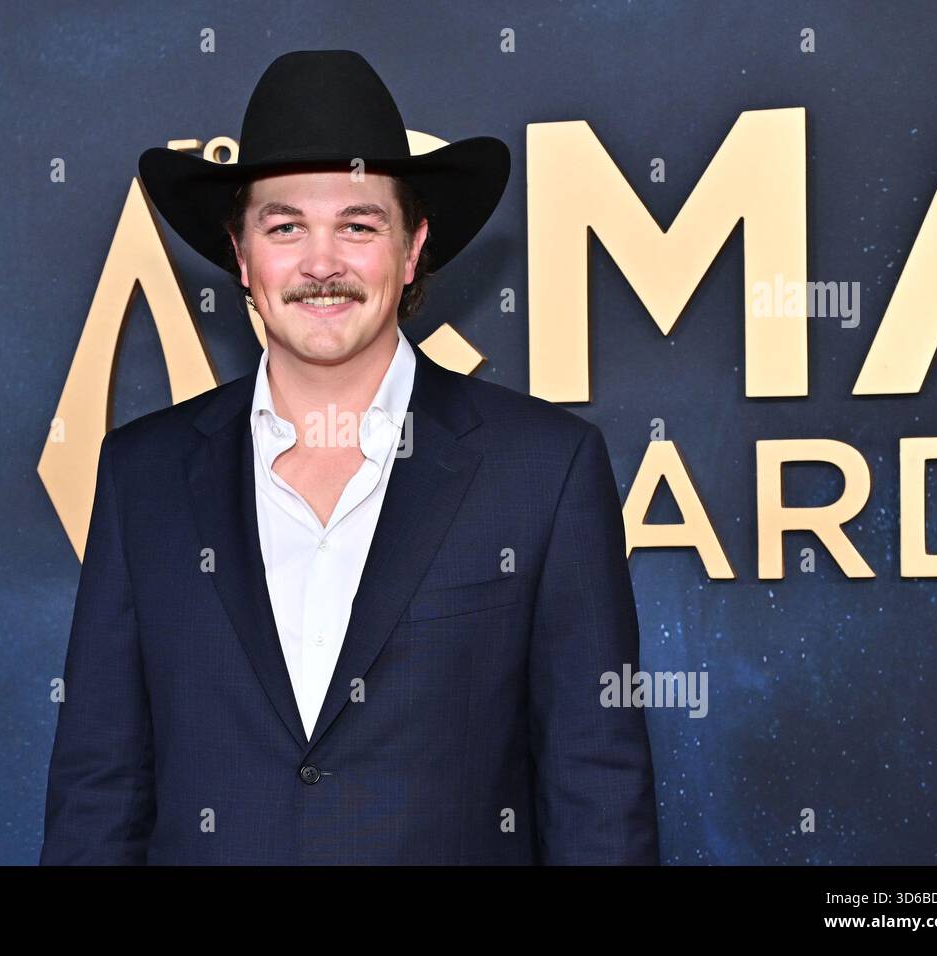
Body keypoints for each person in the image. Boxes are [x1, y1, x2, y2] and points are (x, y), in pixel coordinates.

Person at [39, 49, 659, 865]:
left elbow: (598, 799)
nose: (321, 264)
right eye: (285, 225)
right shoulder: (141, 477)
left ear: (411, 253)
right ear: (241, 257)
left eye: (358, 226)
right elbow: (99, 796)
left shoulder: (545, 470)